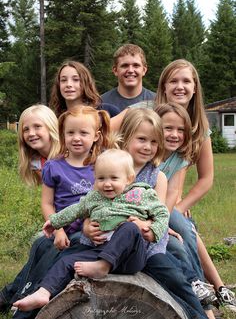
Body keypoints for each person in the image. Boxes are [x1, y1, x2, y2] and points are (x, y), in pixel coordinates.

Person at [13, 149, 169, 312]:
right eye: (101, 178)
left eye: (114, 178)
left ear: (129, 179)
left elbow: (162, 212)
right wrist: (54, 222)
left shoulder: (140, 194)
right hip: (101, 251)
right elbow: (76, 209)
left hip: (131, 257)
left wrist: (153, 231)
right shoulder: (95, 197)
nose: (107, 183)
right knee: (66, 261)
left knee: (129, 227)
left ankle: (103, 266)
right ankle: (43, 292)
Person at [2, 106, 112, 319]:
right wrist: (59, 229)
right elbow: (47, 204)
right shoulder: (54, 166)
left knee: (57, 252)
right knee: (40, 245)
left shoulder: (101, 164)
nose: (76, 138)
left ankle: (23, 302)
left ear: (96, 136)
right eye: (70, 133)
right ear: (62, 135)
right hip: (62, 227)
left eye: (83, 133)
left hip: (89, 232)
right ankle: (21, 293)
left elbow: (108, 198)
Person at [116, 107, 208, 319]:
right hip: (113, 244)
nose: (148, 147)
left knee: (177, 279)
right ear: (125, 138)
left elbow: (158, 216)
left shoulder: (158, 177)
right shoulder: (112, 168)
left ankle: (200, 314)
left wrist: (151, 227)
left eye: (154, 142)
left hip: (148, 247)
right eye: (141, 139)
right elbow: (99, 203)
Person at [0, 104, 60, 313]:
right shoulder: (37, 161)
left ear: (51, 128)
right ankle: (14, 295)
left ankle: (13, 296)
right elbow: (50, 198)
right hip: (58, 217)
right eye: (26, 129)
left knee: (43, 244)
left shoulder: (66, 153)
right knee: (41, 243)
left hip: (76, 219)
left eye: (37, 127)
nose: (31, 133)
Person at [49, 60, 120, 117]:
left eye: (76, 79)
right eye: (63, 80)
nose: (68, 84)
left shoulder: (107, 112)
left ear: (85, 83)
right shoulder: (54, 119)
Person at [101, 44, 155, 110]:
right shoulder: (101, 103)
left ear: (144, 70)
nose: (130, 70)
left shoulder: (157, 102)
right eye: (125, 65)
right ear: (115, 70)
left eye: (136, 65)